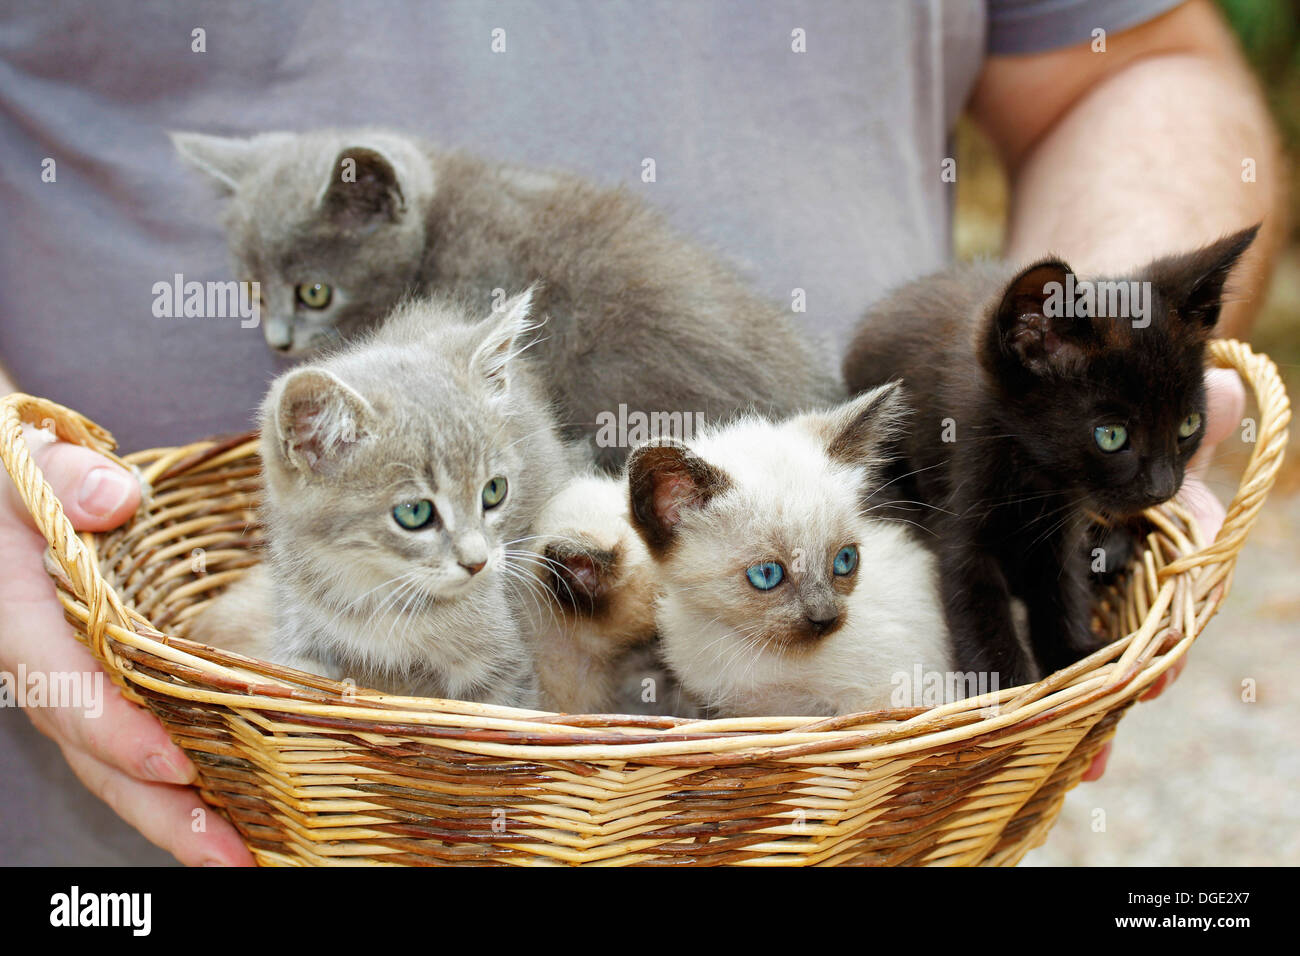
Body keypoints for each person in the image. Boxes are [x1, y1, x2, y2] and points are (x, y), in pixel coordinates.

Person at [0, 0, 1282, 865]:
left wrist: (1080, 402)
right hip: (163, 779)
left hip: (853, 801)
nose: (284, 334)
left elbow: (1137, 60)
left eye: (309, 302)